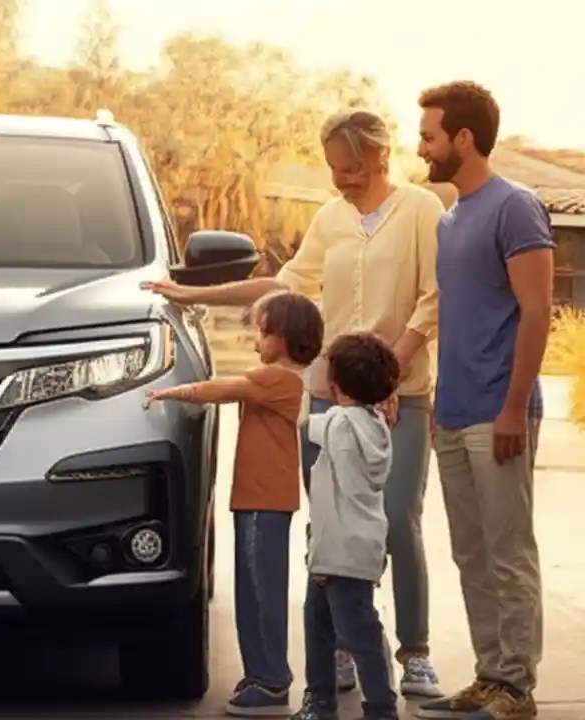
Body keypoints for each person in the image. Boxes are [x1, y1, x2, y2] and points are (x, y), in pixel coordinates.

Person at [143, 108, 446, 698]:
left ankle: (414, 652)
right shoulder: (331, 219)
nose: (342, 179)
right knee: (329, 527)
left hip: (400, 396)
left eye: (352, 167)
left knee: (397, 522)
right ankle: (338, 648)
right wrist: (192, 292)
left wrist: (386, 379)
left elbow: (432, 300)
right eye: (334, 168)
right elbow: (283, 284)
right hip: (329, 402)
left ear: (382, 155)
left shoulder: (420, 211)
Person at [414, 80, 550, 720]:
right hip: (453, 411)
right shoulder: (450, 219)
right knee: (471, 552)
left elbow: (536, 311)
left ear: (463, 139)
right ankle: (489, 674)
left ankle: (517, 688)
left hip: (499, 411)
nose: (422, 147)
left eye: (430, 135)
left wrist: (513, 407)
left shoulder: (515, 207)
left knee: (507, 550)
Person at [145, 291, 324, 717]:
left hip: (265, 501)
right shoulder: (279, 378)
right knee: (251, 585)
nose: (254, 340)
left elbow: (225, 388)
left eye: (261, 332)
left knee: (260, 588)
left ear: (282, 337)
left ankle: (271, 680)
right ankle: (260, 672)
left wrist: (174, 393)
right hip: (257, 499)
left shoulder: (277, 379)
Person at [291, 332, 401, 720]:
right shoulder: (377, 425)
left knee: (348, 633)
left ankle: (374, 708)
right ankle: (327, 701)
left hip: (335, 550)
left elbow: (304, 423)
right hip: (358, 546)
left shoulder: (338, 423)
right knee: (348, 626)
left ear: (336, 384)